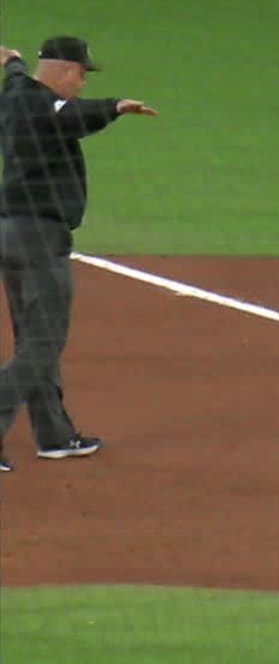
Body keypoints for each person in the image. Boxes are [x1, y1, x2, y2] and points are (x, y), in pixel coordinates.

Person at [0, 36, 157, 472]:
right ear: (64, 69)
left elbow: (16, 78)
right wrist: (116, 106)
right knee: (44, 340)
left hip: (11, 233)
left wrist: (12, 61)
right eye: (82, 73)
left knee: (36, 338)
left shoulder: (14, 94)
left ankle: (53, 435)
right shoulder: (43, 108)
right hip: (38, 237)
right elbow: (75, 115)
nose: (82, 82)